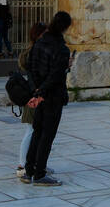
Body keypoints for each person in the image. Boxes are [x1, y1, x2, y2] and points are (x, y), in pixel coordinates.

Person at [23, 11, 72, 186]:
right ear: (65, 27)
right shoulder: (61, 49)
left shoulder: (39, 43)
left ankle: (29, 171)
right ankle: (40, 173)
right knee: (47, 135)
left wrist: (36, 91)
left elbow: (30, 68)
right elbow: (55, 76)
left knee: (37, 132)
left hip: (39, 95)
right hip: (52, 97)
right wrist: (42, 91)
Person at [15, 22, 46, 178]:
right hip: (34, 97)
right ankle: (22, 164)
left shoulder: (34, 51)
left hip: (36, 96)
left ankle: (32, 163)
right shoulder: (34, 52)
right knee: (31, 130)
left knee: (36, 131)